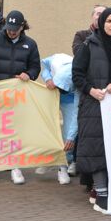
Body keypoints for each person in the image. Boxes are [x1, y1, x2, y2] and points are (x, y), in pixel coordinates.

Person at [72, 7, 111, 212]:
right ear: (102, 23)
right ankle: (101, 195)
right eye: (109, 21)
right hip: (94, 105)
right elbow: (77, 75)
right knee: (96, 149)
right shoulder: (88, 46)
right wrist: (91, 90)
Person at [0, 10, 41, 185]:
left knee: (15, 132)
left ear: (22, 27)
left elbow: (35, 67)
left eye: (15, 29)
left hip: (17, 97)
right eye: (9, 28)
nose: (11, 32)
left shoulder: (30, 44)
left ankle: (15, 167)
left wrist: (29, 74)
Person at [41, 53, 77, 183]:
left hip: (71, 100)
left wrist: (71, 137)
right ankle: (47, 158)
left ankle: (65, 163)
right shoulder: (57, 59)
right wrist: (48, 79)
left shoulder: (79, 74)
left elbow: (76, 115)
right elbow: (44, 68)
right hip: (52, 95)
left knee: (68, 131)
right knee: (46, 126)